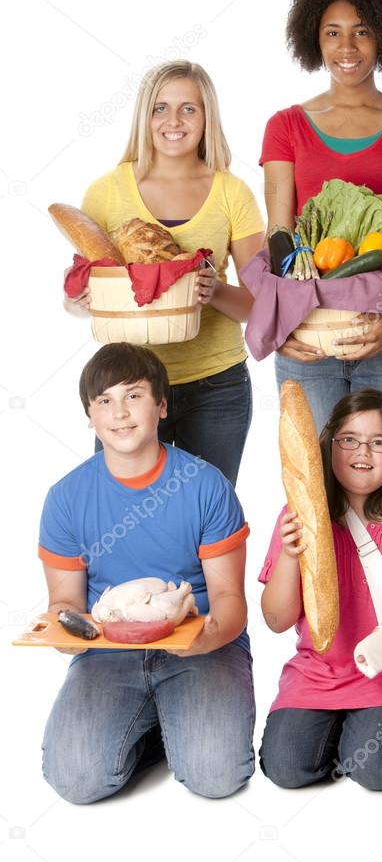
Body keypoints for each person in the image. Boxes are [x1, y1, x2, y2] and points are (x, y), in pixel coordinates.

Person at [39, 343, 255, 803]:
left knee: (217, 778)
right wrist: (61, 630)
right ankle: (156, 725)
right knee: (76, 782)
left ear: (161, 404)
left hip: (200, 645)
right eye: (104, 401)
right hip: (107, 652)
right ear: (89, 415)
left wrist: (209, 637)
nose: (119, 413)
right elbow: (64, 604)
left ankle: (176, 722)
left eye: (133, 395)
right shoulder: (65, 497)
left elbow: (231, 602)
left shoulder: (206, 486)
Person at [261, 0, 382, 475]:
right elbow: (280, 234)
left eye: (361, 31)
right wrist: (283, 326)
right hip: (308, 341)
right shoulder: (285, 126)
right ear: (314, 40)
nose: (347, 46)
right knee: (317, 498)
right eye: (332, 32)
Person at [65, 60, 265, 485]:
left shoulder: (233, 193)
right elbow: (87, 290)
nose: (173, 121)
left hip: (216, 387)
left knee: (207, 521)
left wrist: (215, 292)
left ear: (207, 116)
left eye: (188, 109)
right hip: (126, 389)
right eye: (160, 108)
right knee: (125, 519)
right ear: (144, 116)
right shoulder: (105, 192)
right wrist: (76, 300)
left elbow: (262, 304)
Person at [258, 389, 382, 791]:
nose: (361, 451)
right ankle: (342, 732)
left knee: (374, 769)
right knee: (286, 768)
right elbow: (277, 621)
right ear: (329, 444)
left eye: (378, 442)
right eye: (348, 439)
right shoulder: (297, 516)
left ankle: (380, 733)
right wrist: (290, 556)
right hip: (319, 674)